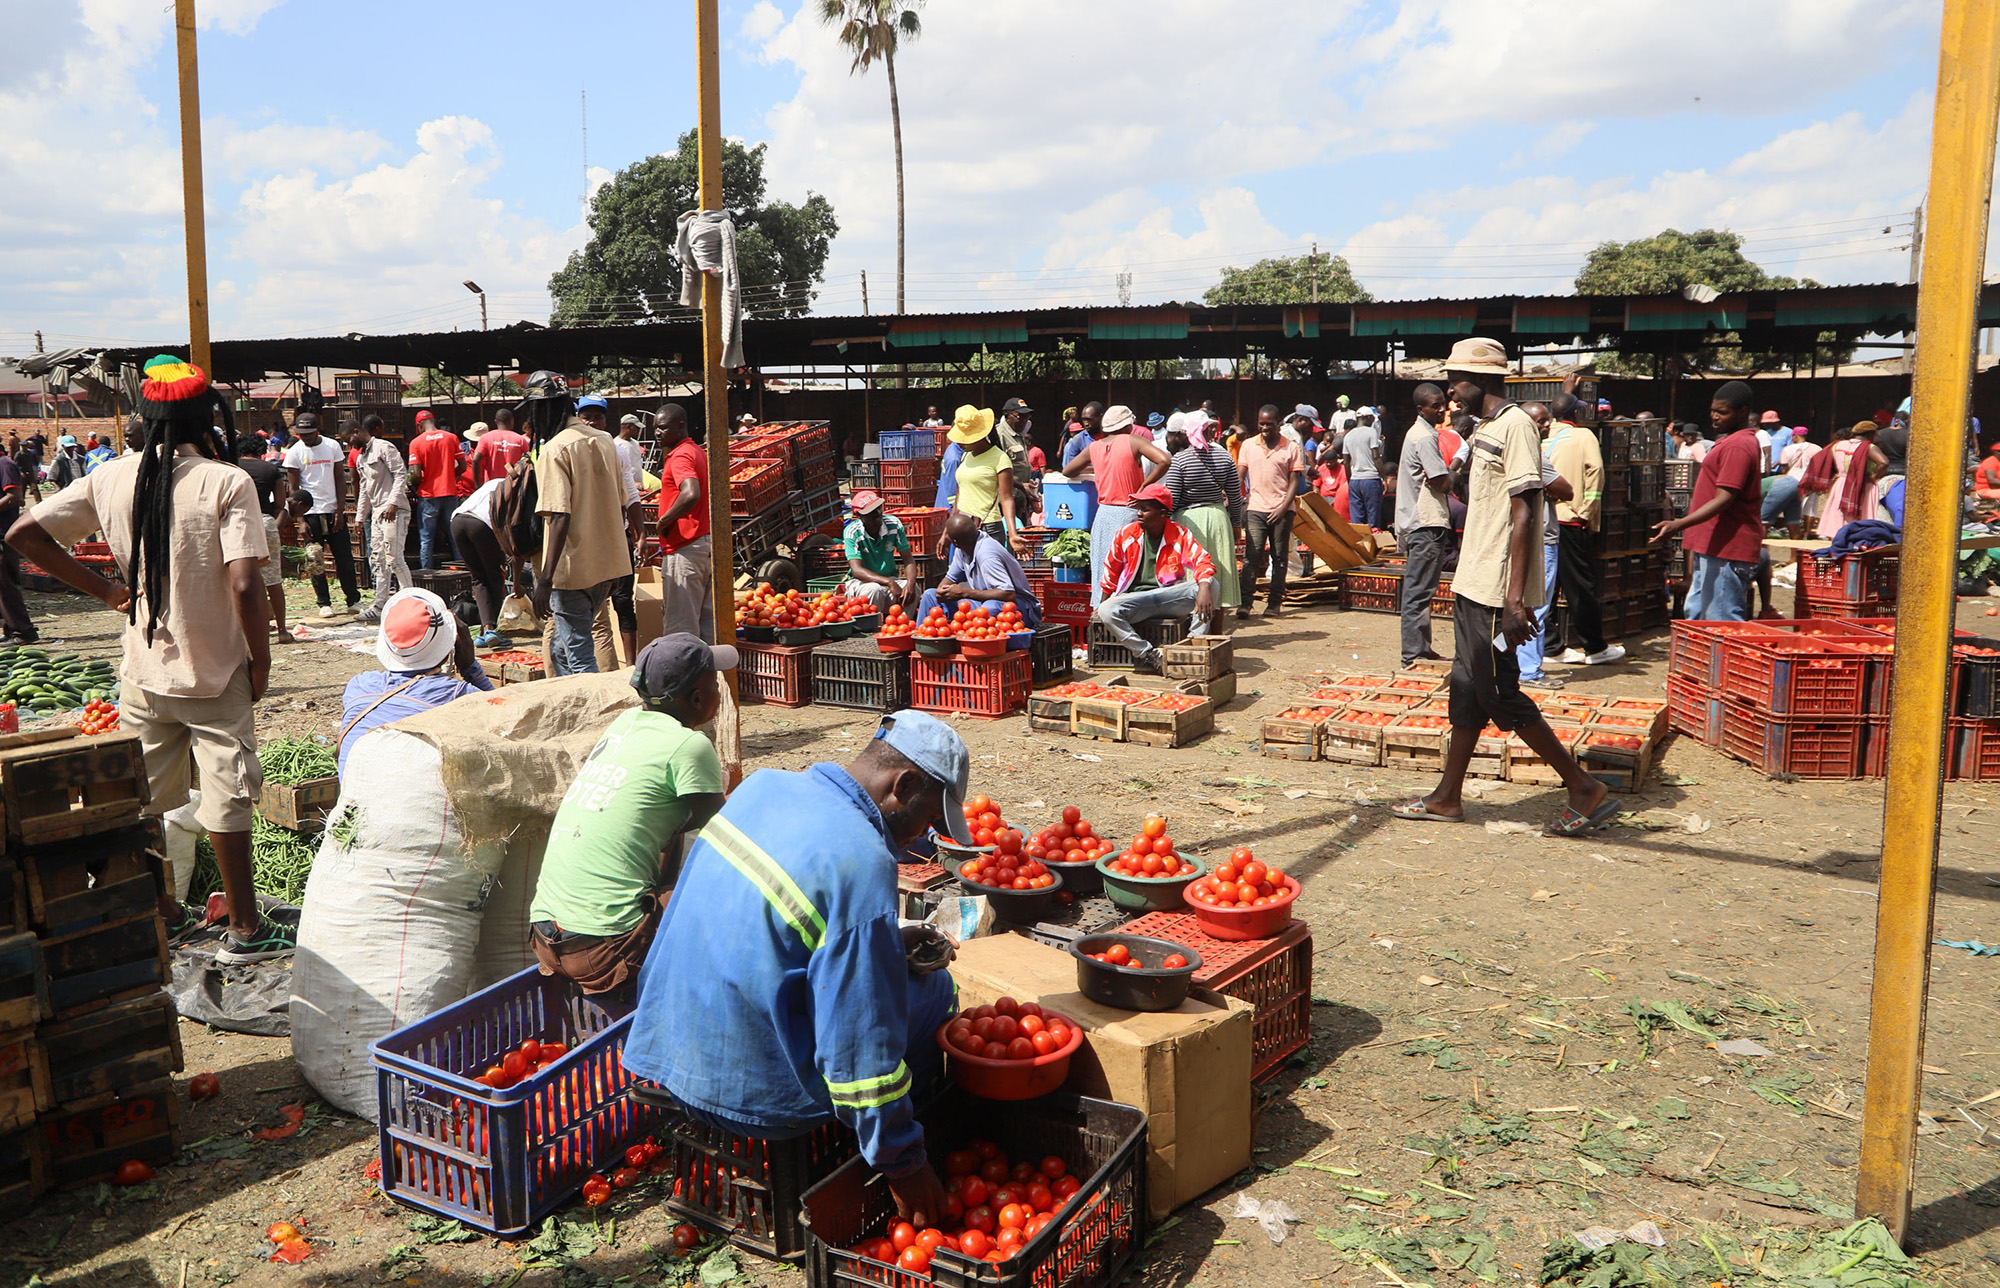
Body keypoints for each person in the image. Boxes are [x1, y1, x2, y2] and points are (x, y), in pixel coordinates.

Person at [622, 711, 971, 1225]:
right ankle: (883, 1145)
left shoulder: (762, 786)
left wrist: (882, 945)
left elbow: (762, 932)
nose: (922, 838)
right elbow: (859, 1044)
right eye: (928, 820)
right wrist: (905, 1165)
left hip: (667, 1054)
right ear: (905, 784)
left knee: (890, 980)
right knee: (935, 989)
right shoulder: (863, 858)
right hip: (754, 1096)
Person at [8, 355, 289, 962]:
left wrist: (109, 592)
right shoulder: (226, 480)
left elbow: (22, 535)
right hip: (214, 675)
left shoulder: (111, 476)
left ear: (144, 416)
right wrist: (260, 662)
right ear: (204, 415)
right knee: (227, 798)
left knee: (147, 800)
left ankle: (164, 909)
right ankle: (244, 928)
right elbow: (245, 585)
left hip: (143, 670)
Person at [1391, 338, 1611, 837]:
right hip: (1473, 578)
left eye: (1457, 380)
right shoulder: (1485, 427)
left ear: (1484, 379)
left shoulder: (1515, 426)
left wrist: (1516, 599)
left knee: (1497, 692)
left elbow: (1525, 509)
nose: (1450, 389)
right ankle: (1448, 796)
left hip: (1496, 589)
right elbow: (1470, 495)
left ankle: (1582, 786)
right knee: (1467, 688)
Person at [528, 634, 731, 995]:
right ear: (699, 698)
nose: (720, 690)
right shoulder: (689, 746)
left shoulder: (624, 723)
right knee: (719, 901)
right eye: (715, 683)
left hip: (545, 936)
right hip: (601, 950)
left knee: (667, 839)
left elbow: (660, 817)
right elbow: (727, 834)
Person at [335, 586, 494, 774]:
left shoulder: (358, 685)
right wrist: (470, 667)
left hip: (353, 801)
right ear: (451, 646)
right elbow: (507, 723)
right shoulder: (457, 695)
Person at [534, 390, 635, 675]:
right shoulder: (606, 441)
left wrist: (545, 578)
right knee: (560, 648)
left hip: (573, 571)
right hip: (605, 565)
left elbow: (558, 515)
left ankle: (593, 715)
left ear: (544, 411)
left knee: (579, 656)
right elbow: (620, 503)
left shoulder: (556, 448)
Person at [1650, 382, 1767, 621]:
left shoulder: (1739, 446)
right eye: (1713, 410)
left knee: (1720, 619)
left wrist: (1678, 525)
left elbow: (1724, 499)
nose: (1714, 417)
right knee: (1696, 614)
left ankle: (1721, 660)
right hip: (1713, 544)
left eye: (1722, 412)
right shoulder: (1729, 442)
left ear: (1743, 411)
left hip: (1728, 546)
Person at [1094, 483, 1217, 673]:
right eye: (1138, 508)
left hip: (1169, 597)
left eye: (1145, 509)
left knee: (1211, 585)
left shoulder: (1179, 534)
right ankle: (1147, 653)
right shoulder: (1125, 534)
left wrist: (1204, 588)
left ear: (1162, 513)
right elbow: (1111, 570)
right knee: (1107, 609)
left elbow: (1202, 560)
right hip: (1137, 601)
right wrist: (1102, 604)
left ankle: (1193, 644)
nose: (1139, 513)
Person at [1063, 405, 1169, 607]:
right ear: (1128, 425)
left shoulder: (1094, 447)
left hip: (1103, 515)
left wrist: (1097, 465)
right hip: (1129, 513)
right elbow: (1164, 460)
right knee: (1128, 567)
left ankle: (1101, 612)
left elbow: (1068, 470)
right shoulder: (1134, 441)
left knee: (1104, 566)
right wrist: (1145, 486)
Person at [1546, 391, 1621, 666]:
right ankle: (1595, 647)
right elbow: (1596, 471)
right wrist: (1588, 512)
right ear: (1575, 414)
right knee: (1580, 586)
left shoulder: (1542, 435)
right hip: (1569, 518)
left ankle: (1549, 645)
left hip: (1541, 521)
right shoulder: (1583, 436)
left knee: (1546, 587)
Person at [1161, 411, 1243, 615]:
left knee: (1192, 577)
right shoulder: (1224, 455)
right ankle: (1216, 632)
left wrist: (1165, 526)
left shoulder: (1180, 460)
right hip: (1218, 518)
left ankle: (1192, 629)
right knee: (1219, 574)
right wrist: (1236, 525)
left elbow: (1171, 500)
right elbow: (1235, 496)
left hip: (1188, 522)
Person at [1517, 404, 1575, 688]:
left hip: (1521, 537)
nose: (1546, 426)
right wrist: (1551, 489)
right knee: (1537, 605)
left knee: (1520, 603)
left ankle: (1512, 662)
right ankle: (1528, 669)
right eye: (1540, 422)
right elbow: (1567, 490)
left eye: (1547, 420)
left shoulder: (1511, 454)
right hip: (1542, 540)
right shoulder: (1536, 458)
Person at [281, 413, 361, 618]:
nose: (305, 437)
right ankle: (323, 603)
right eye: (301, 434)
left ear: (318, 430)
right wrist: (300, 520)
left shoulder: (332, 446)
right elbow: (293, 489)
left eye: (308, 433)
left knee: (344, 559)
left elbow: (340, 479)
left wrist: (340, 510)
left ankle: (353, 600)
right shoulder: (294, 452)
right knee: (315, 559)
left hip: (332, 511)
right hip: (310, 514)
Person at [1396, 385, 1453, 666]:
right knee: (1418, 592)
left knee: (1421, 590)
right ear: (1421, 409)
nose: (1441, 410)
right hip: (1426, 522)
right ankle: (1413, 654)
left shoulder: (1419, 434)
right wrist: (1459, 471)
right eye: (1435, 405)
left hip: (1420, 522)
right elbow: (1442, 481)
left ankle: (1421, 647)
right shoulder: (1424, 438)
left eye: (1443, 404)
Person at [652, 403, 716, 643]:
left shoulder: (680, 456)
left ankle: (685, 681)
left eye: (663, 428)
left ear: (681, 426)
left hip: (685, 548)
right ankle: (710, 681)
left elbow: (690, 493)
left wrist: (663, 522)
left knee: (681, 633)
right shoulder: (697, 452)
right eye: (656, 429)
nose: (658, 433)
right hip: (702, 545)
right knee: (707, 630)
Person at [1236, 405, 1305, 617]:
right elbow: (1240, 475)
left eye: (1269, 424)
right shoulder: (1248, 445)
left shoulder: (1291, 447)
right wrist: (1234, 497)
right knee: (1252, 556)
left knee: (1280, 558)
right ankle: (1245, 603)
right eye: (1261, 423)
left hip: (1282, 510)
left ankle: (1274, 604)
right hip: (1255, 508)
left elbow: (1295, 482)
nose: (1265, 428)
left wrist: (1283, 508)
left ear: (1278, 425)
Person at [919, 511, 1042, 627]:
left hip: (1021, 608)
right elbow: (949, 579)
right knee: (929, 595)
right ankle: (923, 639)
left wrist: (965, 593)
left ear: (955, 542)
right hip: (983, 602)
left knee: (988, 608)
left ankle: (980, 643)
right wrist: (942, 592)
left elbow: (1009, 594)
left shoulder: (987, 556)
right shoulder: (963, 549)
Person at [348, 416, 412, 624]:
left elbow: (401, 474)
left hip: (395, 510)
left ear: (357, 432)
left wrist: (393, 503)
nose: (348, 444)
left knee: (394, 558)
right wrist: (360, 518)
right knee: (378, 560)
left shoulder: (385, 447)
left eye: (348, 439)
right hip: (377, 513)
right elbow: (365, 490)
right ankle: (379, 605)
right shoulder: (361, 458)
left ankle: (410, 603)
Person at [938, 406, 1027, 555]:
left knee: (988, 576)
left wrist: (1012, 534)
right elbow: (959, 497)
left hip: (987, 529)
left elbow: (1006, 499)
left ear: (979, 436)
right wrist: (947, 532)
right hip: (962, 530)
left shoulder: (999, 458)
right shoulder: (966, 456)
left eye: (965, 438)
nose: (959, 443)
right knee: (961, 576)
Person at [233, 433, 290, 645]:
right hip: (264, 522)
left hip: (237, 523)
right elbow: (280, 503)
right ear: (262, 452)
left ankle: (244, 630)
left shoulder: (231, 467)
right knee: (273, 578)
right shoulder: (271, 470)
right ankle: (282, 630)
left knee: (238, 578)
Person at [450, 476, 510, 646]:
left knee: (478, 578)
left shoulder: (494, 482)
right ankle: (490, 630)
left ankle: (485, 630)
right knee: (496, 577)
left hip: (457, 521)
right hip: (481, 525)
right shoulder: (517, 490)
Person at [841, 490, 920, 613]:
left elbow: (908, 558)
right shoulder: (852, 532)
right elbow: (856, 570)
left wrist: (910, 583)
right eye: (870, 512)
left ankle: (904, 624)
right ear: (859, 516)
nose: (877, 514)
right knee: (874, 589)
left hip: (890, 578)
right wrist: (889, 582)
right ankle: (873, 628)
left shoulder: (894, 524)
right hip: (862, 583)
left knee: (913, 588)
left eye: (878, 509)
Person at [406, 409, 464, 570]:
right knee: (454, 537)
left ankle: (427, 576)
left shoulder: (416, 443)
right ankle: (460, 573)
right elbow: (463, 466)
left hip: (428, 495)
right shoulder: (451, 438)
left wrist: (418, 483)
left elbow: (415, 474)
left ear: (419, 426)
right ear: (434, 421)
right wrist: (449, 476)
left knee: (426, 539)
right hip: (450, 493)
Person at [1813, 419, 1888, 541]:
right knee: (1862, 515)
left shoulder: (1837, 446)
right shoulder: (1869, 447)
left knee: (1839, 515)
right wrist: (1873, 477)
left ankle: (1837, 542)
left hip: (1841, 483)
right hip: (1862, 485)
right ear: (1870, 434)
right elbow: (1884, 462)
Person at [0, 447, 36, 645]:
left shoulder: (5, 464)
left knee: (6, 584)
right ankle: (10, 628)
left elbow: (15, 497)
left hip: (4, 535)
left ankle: (23, 631)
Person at [1342, 406, 1388, 531]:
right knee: (1373, 519)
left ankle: (1359, 547)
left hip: (1355, 481)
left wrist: (1350, 481)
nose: (1374, 421)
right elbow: (1376, 457)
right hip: (1371, 479)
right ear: (1366, 418)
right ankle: (1372, 547)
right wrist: (1384, 477)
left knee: (1357, 522)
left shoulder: (1348, 436)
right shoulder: (1371, 432)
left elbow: (1346, 462)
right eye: (1372, 418)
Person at [472, 407, 531, 485]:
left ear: (496, 422)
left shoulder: (486, 437)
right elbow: (529, 462)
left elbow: (475, 460)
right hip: (513, 485)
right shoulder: (520, 440)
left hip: (491, 487)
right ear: (511, 421)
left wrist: (477, 485)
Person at [1060, 401, 1103, 469]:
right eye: (1084, 419)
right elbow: (1068, 469)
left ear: (1101, 417)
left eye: (1089, 420)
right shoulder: (1075, 443)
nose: (1086, 423)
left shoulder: (1110, 438)